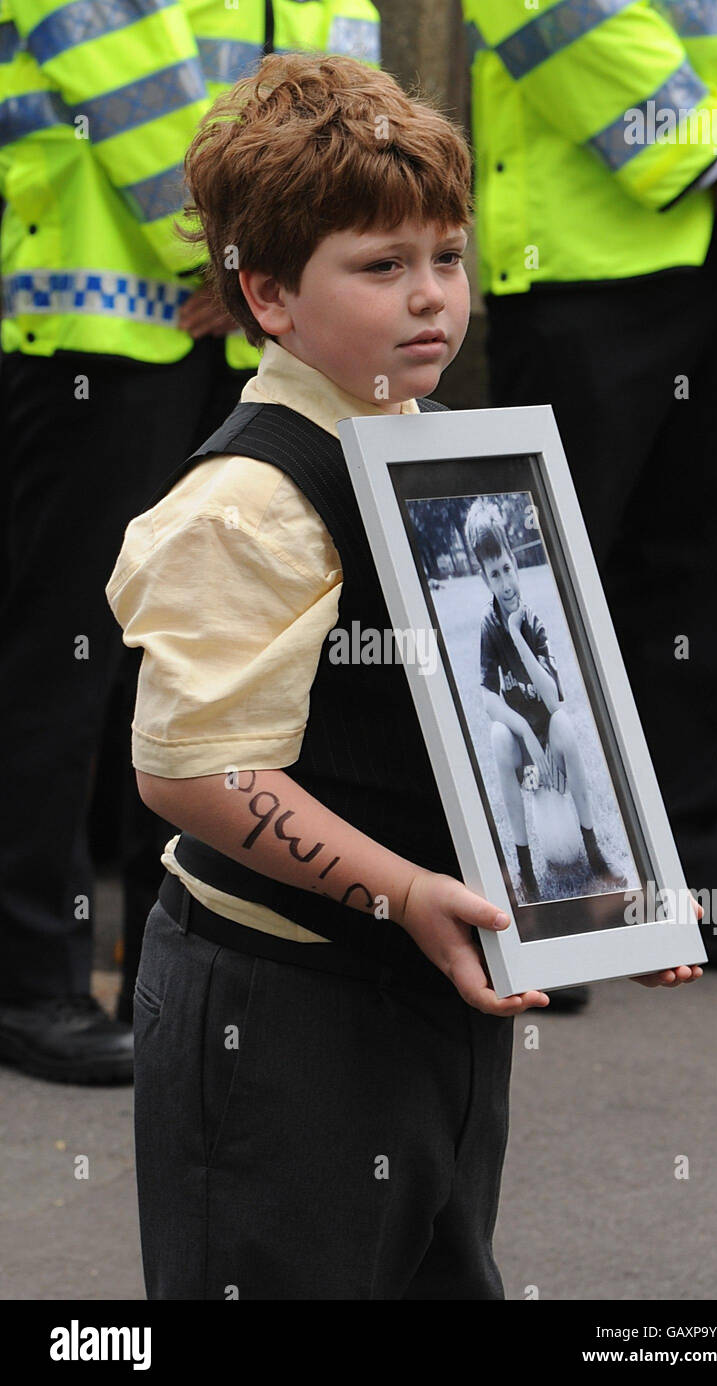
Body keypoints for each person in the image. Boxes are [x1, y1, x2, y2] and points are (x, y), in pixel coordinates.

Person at [105, 51, 702, 1301]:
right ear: (267, 295)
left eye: (446, 256)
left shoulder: (443, 454)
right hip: (280, 1008)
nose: (431, 297)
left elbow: (510, 709)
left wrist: (595, 896)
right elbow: (197, 771)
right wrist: (405, 894)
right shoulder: (249, 505)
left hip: (433, 984)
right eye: (380, 268)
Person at [0, 0, 381, 1084]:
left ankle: (171, 954)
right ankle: (30, 978)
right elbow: (114, 71)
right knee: (65, 659)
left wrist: (262, 262)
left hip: (235, 316)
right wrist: (237, 252)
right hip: (107, 323)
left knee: (186, 661)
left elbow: (348, 107)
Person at [463, 0, 717, 981]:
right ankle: (543, 894)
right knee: (536, 586)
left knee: (703, 570)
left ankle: (683, 876)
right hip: (591, 248)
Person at [465, 497, 625, 901]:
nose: (504, 582)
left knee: (565, 723)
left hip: (551, 738)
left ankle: (595, 855)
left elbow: (554, 701)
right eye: (494, 575)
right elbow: (486, 698)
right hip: (525, 745)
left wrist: (518, 636)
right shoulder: (489, 625)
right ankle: (524, 872)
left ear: (514, 564)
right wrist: (528, 738)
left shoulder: (531, 623)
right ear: (485, 579)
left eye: (506, 569)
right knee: (499, 736)